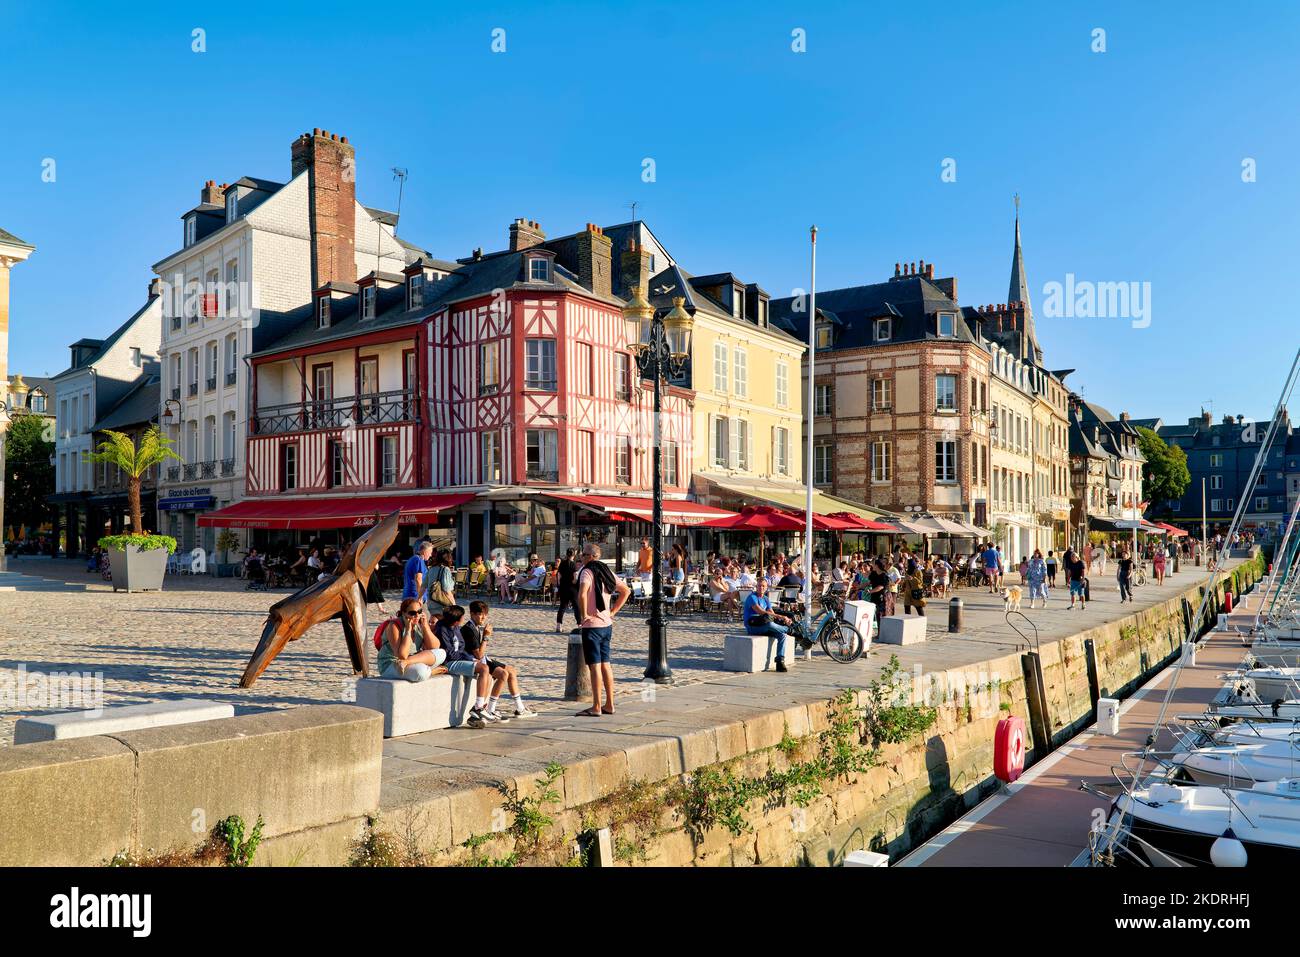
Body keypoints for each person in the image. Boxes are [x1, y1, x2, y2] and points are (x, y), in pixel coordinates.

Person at [575, 543, 630, 717]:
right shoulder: (607, 571)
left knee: (594, 667)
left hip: (592, 626)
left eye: (583, 555)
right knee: (606, 664)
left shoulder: (587, 571)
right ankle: (610, 704)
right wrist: (612, 612)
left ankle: (596, 706)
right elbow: (625, 591)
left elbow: (582, 593)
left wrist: (583, 615)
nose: (581, 557)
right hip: (607, 624)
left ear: (591, 556)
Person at [463, 600, 536, 718]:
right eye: (480, 614)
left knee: (511, 671)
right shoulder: (469, 629)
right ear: (472, 614)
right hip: (476, 661)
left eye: (485, 614)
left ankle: (520, 708)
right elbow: (479, 655)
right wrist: (486, 637)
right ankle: (490, 709)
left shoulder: (475, 627)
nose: (483, 617)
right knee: (503, 674)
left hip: (482, 659)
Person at [434, 604, 498, 727]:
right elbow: (449, 653)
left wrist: (471, 659)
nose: (464, 619)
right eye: (462, 617)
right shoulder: (442, 629)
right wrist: (470, 660)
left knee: (488, 673)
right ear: (456, 620)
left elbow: (462, 647)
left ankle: (477, 713)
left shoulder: (456, 628)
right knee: (483, 668)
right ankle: (478, 707)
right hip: (450, 663)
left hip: (460, 658)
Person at [376, 597, 448, 682]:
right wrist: (408, 630)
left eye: (419, 612)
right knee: (420, 672)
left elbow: (435, 646)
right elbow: (402, 656)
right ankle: (430, 672)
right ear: (403, 613)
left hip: (409, 662)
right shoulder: (394, 626)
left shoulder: (419, 624)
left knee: (442, 653)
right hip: (391, 664)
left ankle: (410, 663)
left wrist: (425, 626)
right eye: (412, 613)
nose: (417, 616)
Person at [742, 577, 795, 673]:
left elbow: (771, 613)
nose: (761, 588)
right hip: (753, 626)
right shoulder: (752, 597)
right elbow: (761, 612)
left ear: (766, 588)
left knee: (781, 635)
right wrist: (781, 617)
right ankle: (790, 630)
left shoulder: (766, 598)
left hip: (764, 624)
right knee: (770, 625)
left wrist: (784, 618)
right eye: (759, 586)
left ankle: (780, 661)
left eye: (763, 586)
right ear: (756, 587)